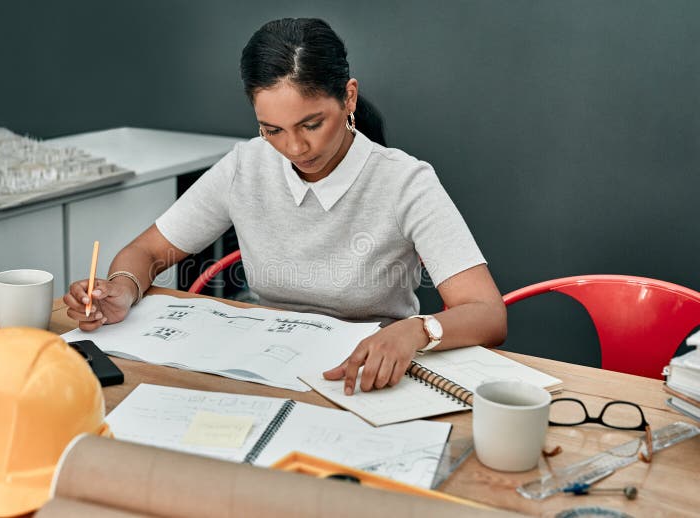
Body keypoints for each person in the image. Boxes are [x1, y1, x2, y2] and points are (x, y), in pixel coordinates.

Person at [64, 18, 506, 395]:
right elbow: (149, 252)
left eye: (312, 124)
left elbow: (487, 312)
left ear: (348, 98)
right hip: (262, 369)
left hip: (371, 373)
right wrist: (121, 286)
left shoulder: (405, 181)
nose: (295, 147)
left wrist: (417, 331)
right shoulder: (247, 166)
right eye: (272, 129)